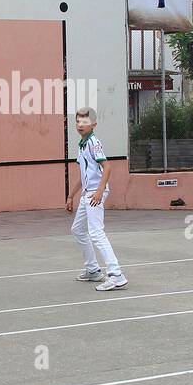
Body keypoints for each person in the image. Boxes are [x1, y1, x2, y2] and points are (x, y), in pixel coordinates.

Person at [68, 106, 126, 291]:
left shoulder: (94, 142)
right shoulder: (82, 144)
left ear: (94, 124)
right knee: (77, 230)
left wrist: (100, 191)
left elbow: (107, 167)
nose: (80, 125)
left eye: (84, 122)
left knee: (96, 232)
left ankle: (116, 274)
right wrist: (71, 195)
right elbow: (84, 174)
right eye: (78, 121)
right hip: (87, 193)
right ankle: (93, 270)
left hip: (95, 193)